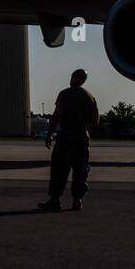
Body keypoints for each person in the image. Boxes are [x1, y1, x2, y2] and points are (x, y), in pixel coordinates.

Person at [38, 68, 99, 211]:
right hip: (83, 139)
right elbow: (95, 121)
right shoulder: (90, 97)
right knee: (80, 171)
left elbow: (57, 115)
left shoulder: (65, 94)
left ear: (73, 77)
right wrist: (82, 126)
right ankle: (77, 201)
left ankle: (55, 200)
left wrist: (49, 134)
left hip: (66, 137)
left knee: (59, 168)